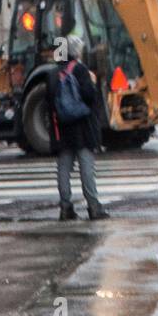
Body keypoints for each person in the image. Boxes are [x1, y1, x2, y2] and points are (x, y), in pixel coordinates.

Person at [45, 35, 109, 221]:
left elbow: (49, 103)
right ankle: (93, 207)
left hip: (62, 129)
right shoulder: (80, 70)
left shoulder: (51, 74)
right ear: (75, 51)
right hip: (82, 127)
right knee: (86, 168)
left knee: (64, 169)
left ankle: (65, 208)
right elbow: (90, 96)